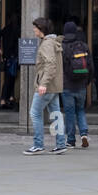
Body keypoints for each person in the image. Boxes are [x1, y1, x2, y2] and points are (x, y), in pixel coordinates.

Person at [24, 17, 67, 154]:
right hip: (54, 85)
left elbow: (50, 64)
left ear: (41, 29)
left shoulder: (47, 44)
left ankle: (38, 145)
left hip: (47, 86)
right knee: (55, 114)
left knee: (35, 113)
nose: (34, 30)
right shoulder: (52, 42)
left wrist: (43, 84)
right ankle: (61, 144)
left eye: (35, 27)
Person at [61, 19, 92, 148]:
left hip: (67, 85)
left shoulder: (62, 46)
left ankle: (71, 140)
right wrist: (87, 81)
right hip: (81, 85)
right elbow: (91, 66)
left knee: (69, 113)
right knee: (80, 110)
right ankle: (84, 133)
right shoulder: (83, 46)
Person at [0, 12, 20, 109]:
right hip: (14, 58)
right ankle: (9, 99)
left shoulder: (6, 29)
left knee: (9, 79)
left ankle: (6, 99)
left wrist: (2, 52)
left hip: (8, 57)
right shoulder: (17, 29)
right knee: (12, 79)